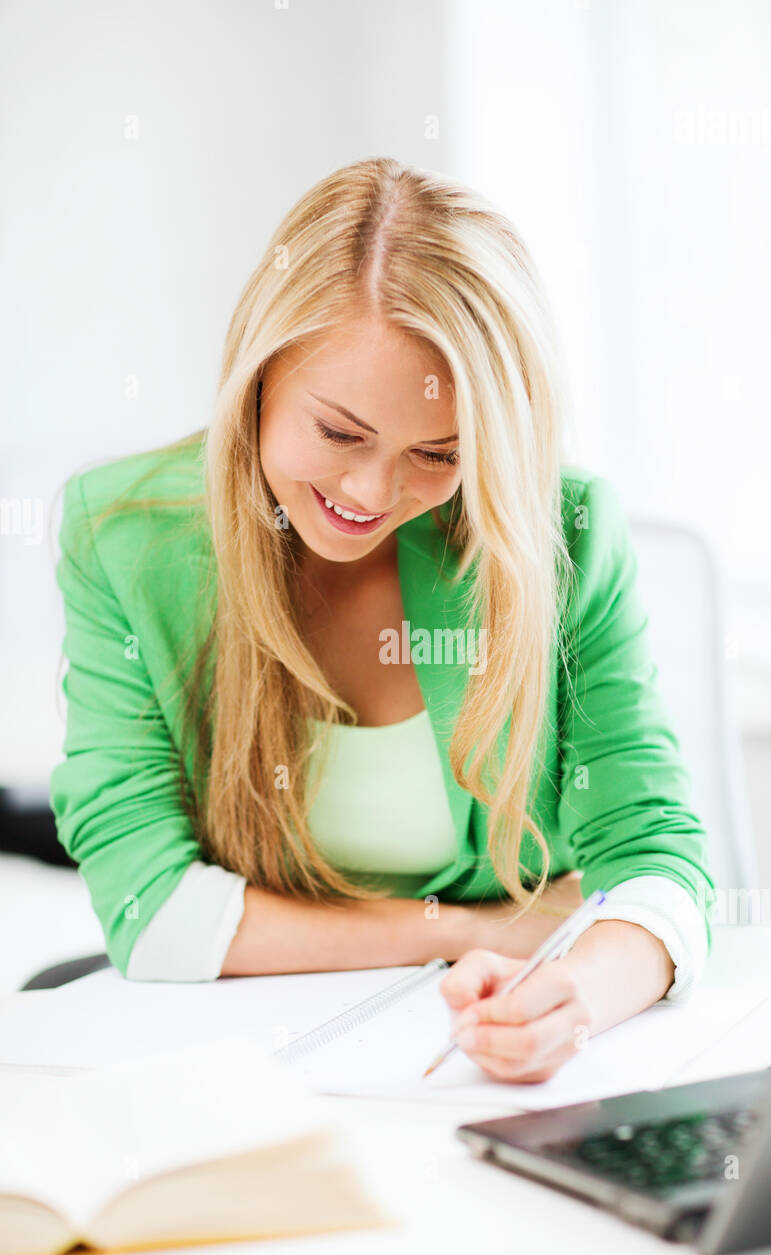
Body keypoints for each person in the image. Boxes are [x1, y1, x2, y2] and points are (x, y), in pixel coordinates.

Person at [51, 156, 713, 1084]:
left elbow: (661, 872)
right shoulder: (123, 536)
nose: (371, 492)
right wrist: (471, 931)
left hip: (479, 1076)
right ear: (259, 379)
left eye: (438, 452)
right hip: (249, 1074)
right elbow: (148, 913)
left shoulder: (561, 531)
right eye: (339, 433)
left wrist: (578, 995)